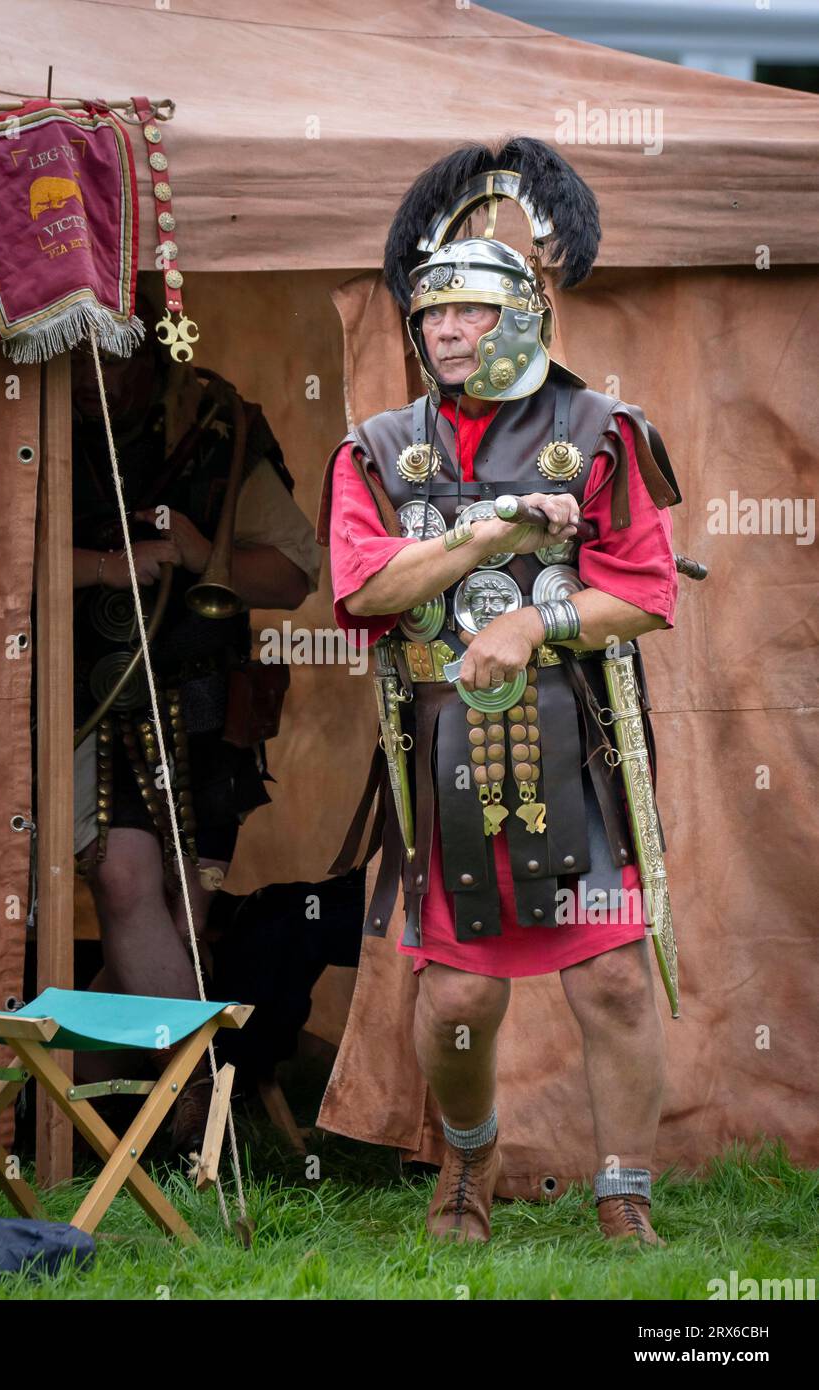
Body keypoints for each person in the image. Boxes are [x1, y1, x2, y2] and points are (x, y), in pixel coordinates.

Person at [319, 140, 682, 1245]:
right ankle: (467, 1167)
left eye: (467, 315)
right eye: (428, 318)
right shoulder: (377, 452)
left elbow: (646, 590)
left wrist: (533, 616)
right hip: (442, 750)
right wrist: (491, 535)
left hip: (577, 743)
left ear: (520, 316)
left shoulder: (600, 432)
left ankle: (623, 1192)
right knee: (458, 999)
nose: (444, 333)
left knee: (612, 979)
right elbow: (365, 587)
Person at [70, 291, 321, 1149]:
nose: (93, 382)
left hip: (206, 716)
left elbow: (290, 575)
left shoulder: (217, 425)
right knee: (127, 886)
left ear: (150, 354)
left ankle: (59, 1110)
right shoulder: (19, 413)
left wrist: (195, 553)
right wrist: (107, 566)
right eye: (79, 360)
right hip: (83, 707)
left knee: (179, 923)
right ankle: (195, 1109)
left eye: (113, 360)